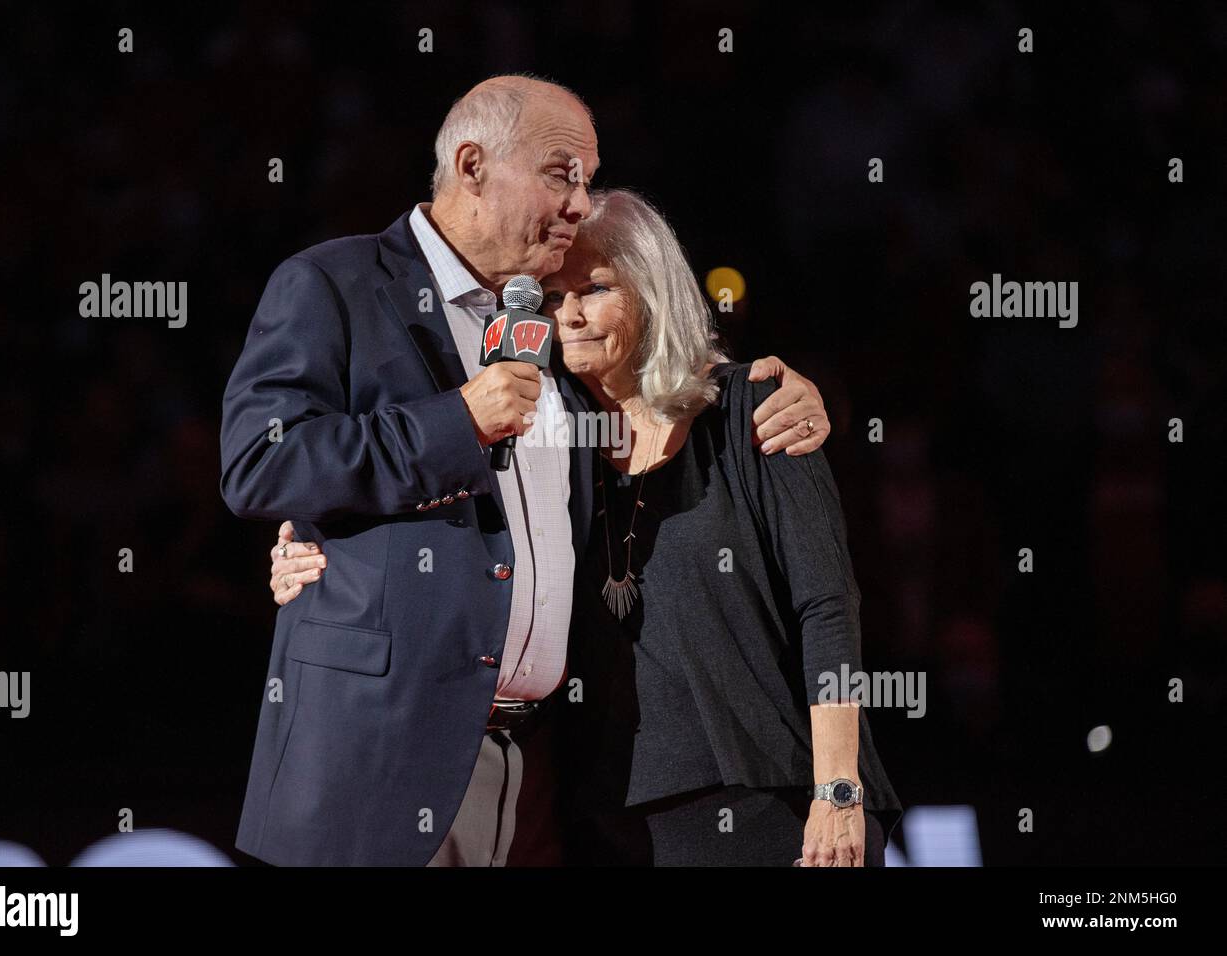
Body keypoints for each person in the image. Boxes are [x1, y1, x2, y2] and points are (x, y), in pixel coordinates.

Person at [220, 75, 830, 867]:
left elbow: (652, 400)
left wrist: (778, 392)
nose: (581, 201)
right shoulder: (334, 285)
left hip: (536, 773)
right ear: (472, 165)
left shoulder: (547, 322)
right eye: (560, 172)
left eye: (586, 177)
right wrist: (456, 423)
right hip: (374, 761)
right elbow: (261, 461)